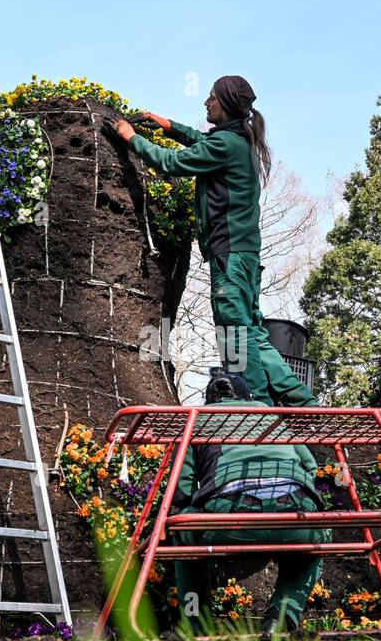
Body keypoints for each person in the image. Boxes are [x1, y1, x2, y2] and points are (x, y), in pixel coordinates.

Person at [108, 77, 317, 407]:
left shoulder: (226, 145)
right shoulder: (237, 140)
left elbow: (172, 163)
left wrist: (131, 137)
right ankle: (300, 401)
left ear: (227, 104)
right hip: (244, 255)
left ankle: (252, 406)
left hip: (229, 255)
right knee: (253, 332)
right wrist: (167, 126)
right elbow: (201, 140)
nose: (206, 103)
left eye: (212, 98)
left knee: (234, 330)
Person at [169, 371, 329, 635]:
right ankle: (281, 616)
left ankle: (196, 624)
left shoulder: (198, 418)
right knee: (317, 538)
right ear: (249, 398)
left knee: (184, 533)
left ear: (209, 400)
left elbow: (181, 492)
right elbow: (310, 465)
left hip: (232, 517)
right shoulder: (272, 417)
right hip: (297, 515)